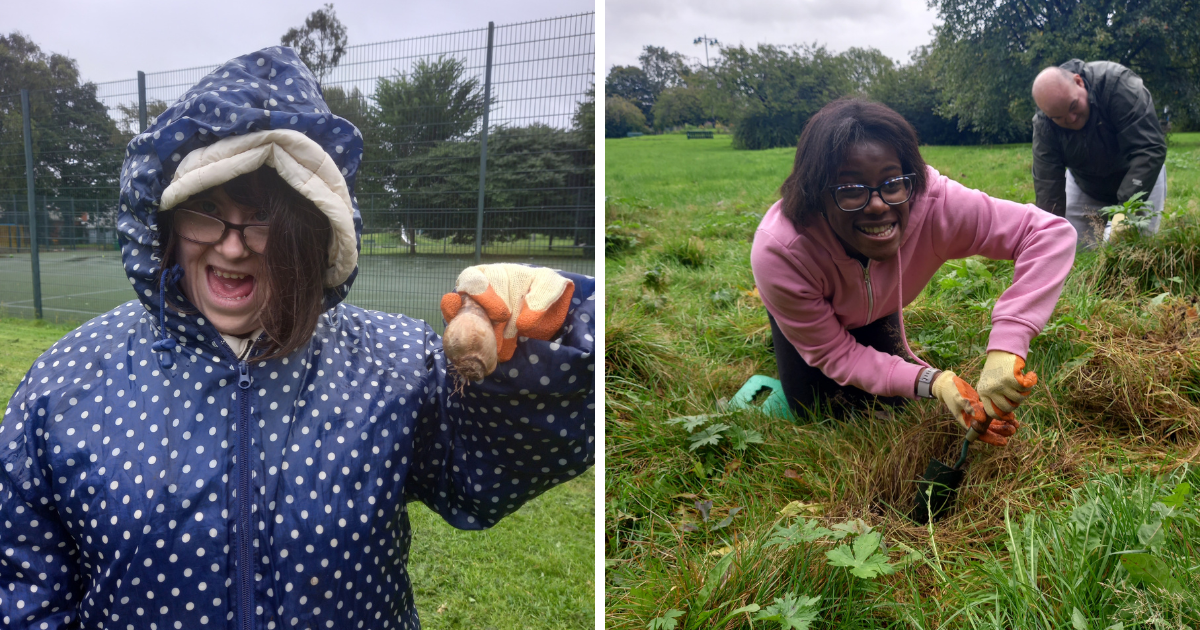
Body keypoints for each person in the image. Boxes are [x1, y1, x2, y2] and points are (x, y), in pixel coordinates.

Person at [0, 46, 594, 629]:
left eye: (262, 217)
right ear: (167, 222)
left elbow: (484, 477)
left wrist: (539, 353)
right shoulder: (68, 381)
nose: (231, 245)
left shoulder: (394, 365)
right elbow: (24, 586)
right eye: (205, 207)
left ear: (311, 231)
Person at [750, 99, 1076, 445]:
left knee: (896, 402)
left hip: (879, 307)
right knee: (816, 409)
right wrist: (933, 381)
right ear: (816, 195)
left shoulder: (935, 204)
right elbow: (834, 353)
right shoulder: (780, 250)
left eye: (892, 183)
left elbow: (1048, 234)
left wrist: (1007, 345)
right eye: (850, 190)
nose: (878, 204)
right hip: (818, 323)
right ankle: (793, 334)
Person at [1031, 60, 1167, 248]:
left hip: (1141, 175)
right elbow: (1048, 186)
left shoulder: (1119, 85)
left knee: (1133, 253)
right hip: (1086, 185)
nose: (1071, 119)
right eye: (1059, 117)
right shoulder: (1044, 124)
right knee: (1073, 250)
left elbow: (1149, 148)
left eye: (1073, 106)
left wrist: (1124, 211)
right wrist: (1048, 234)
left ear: (1079, 82)